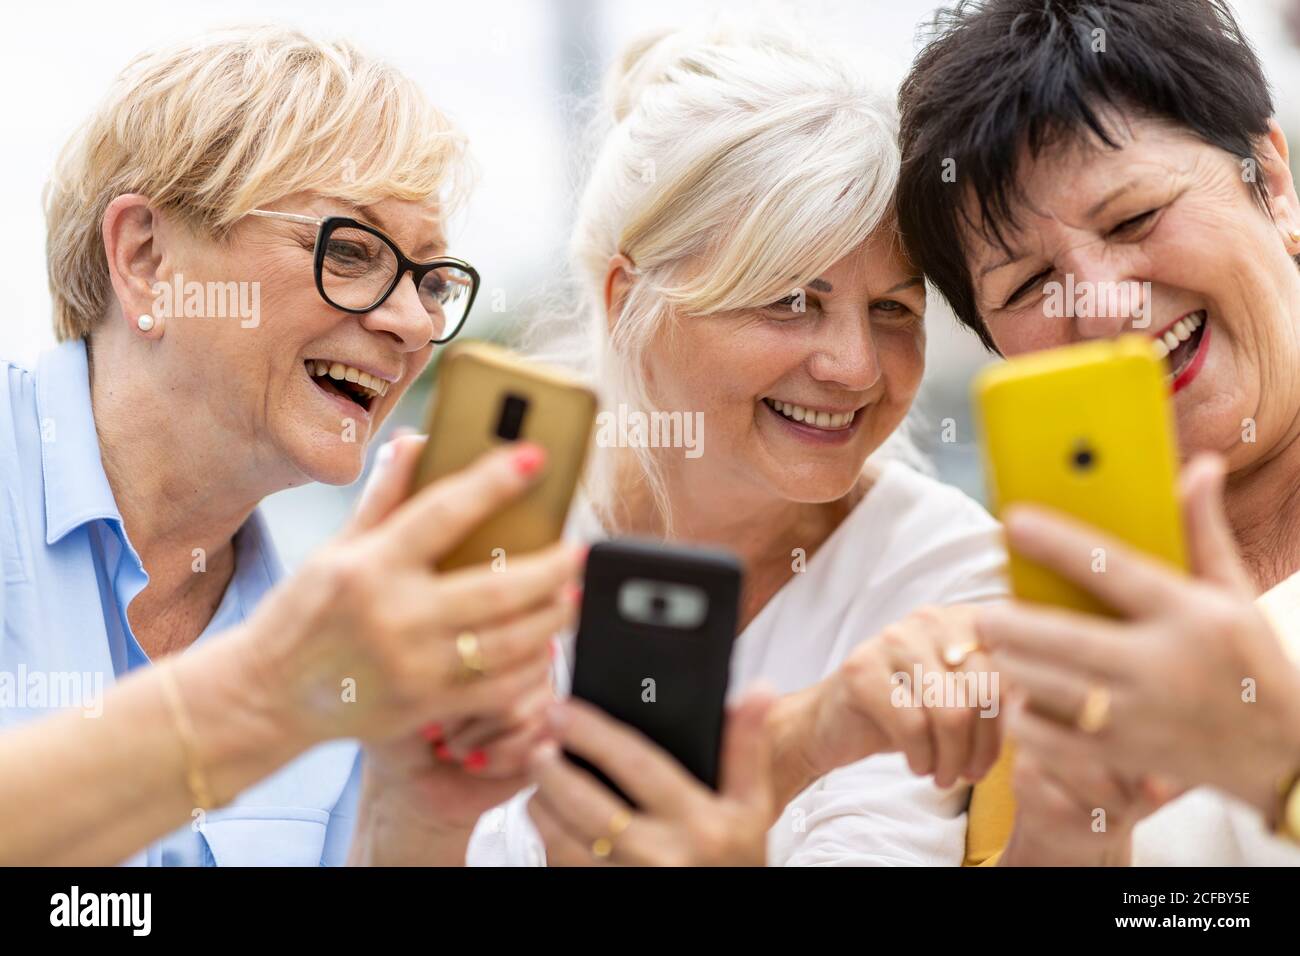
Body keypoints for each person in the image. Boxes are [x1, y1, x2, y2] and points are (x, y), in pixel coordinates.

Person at [0, 25, 584, 865]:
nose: (415, 324)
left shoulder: (342, 647)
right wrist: (274, 691)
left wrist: (422, 821)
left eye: (432, 281)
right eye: (350, 251)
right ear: (146, 257)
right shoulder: (311, 659)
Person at [463, 21, 1010, 867]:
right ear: (624, 300)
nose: (855, 367)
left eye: (893, 310)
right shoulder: (473, 514)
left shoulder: (941, 570)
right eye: (791, 300)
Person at [894, 0, 1300, 864]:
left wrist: (1278, 769)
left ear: (1271, 181)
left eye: (1133, 218)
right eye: (1032, 282)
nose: (1103, 304)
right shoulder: (1011, 646)